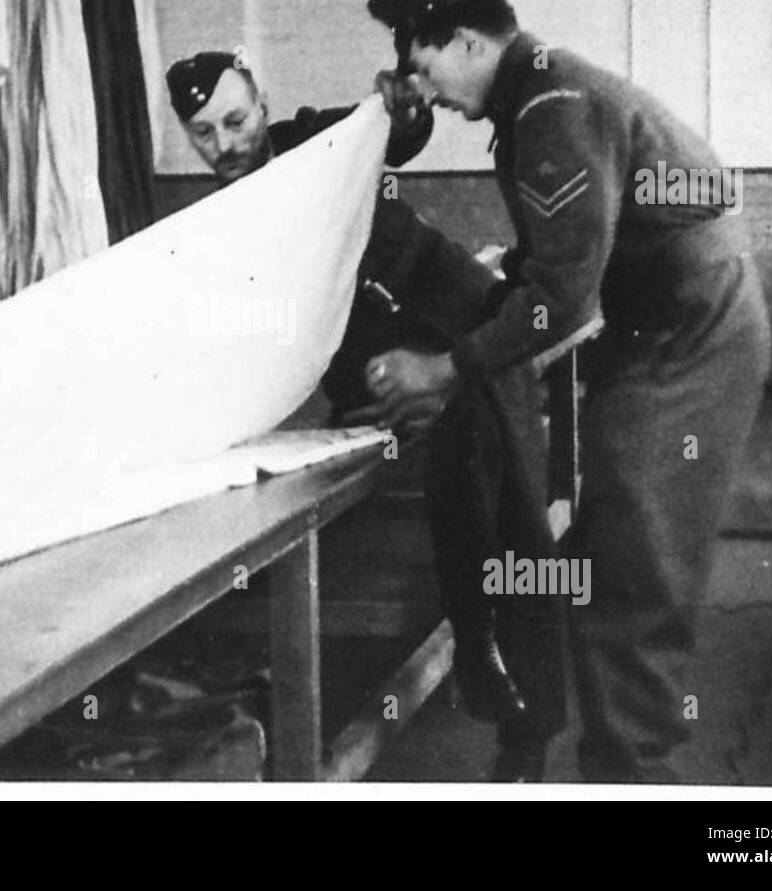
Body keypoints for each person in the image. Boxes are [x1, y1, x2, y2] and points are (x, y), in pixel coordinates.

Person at [364, 0, 772, 782]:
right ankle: (622, 764)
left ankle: (634, 776)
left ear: (470, 42)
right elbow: (555, 262)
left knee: (631, 578)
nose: (428, 89)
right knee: (608, 556)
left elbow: (561, 298)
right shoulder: (534, 99)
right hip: (660, 325)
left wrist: (444, 370)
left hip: (690, 333)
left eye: (426, 65)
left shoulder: (551, 106)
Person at [166, 50, 569, 780]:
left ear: (263, 102)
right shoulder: (218, 224)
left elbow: (390, 137)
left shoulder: (317, 140)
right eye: (202, 132)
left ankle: (525, 722)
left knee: (505, 509)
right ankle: (479, 652)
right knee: (457, 487)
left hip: (460, 326)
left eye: (234, 118)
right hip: (378, 376)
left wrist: (403, 110)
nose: (224, 144)